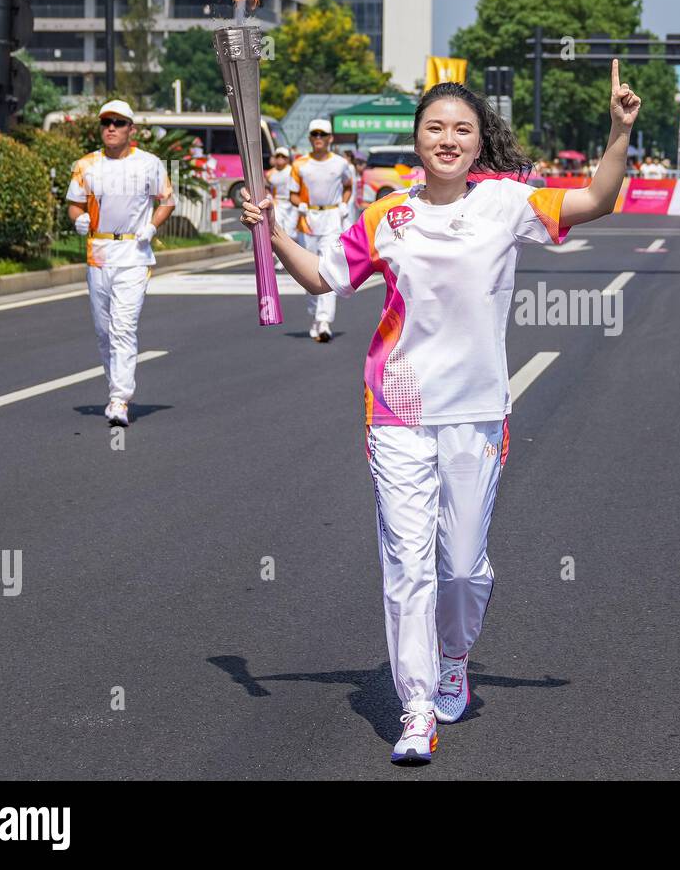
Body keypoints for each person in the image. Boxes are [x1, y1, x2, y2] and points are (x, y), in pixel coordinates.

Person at [239, 60, 641, 765]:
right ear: (416, 139)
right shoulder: (384, 214)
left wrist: (618, 131)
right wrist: (271, 230)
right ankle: (417, 705)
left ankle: (455, 653)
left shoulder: (507, 202)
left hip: (477, 413)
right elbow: (322, 276)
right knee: (408, 565)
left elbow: (597, 199)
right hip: (397, 408)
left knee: (461, 568)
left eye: (462, 129)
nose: (448, 139)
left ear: (479, 140)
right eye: (435, 128)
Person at [66, 99, 175, 427]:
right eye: (106, 122)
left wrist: (152, 226)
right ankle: (115, 390)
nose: (111, 128)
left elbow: (167, 200)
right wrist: (79, 219)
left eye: (118, 122)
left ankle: (119, 398)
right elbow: (73, 204)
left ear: (131, 129)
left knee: (123, 327)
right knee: (103, 331)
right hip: (98, 252)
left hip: (134, 252)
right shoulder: (86, 165)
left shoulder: (149, 163)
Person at [289, 119, 354, 342]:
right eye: (315, 134)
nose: (318, 138)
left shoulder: (340, 164)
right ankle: (315, 316)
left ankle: (324, 320)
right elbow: (293, 193)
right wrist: (301, 205)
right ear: (310, 138)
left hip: (332, 219)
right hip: (308, 221)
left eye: (322, 134)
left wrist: (344, 203)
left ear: (330, 138)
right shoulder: (299, 165)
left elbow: (348, 185)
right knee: (309, 273)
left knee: (328, 269)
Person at [266, 147, 298, 241]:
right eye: (278, 156)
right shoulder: (270, 173)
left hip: (291, 204)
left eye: (283, 156)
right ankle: (277, 254)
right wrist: (270, 197)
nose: (280, 158)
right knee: (277, 228)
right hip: (278, 204)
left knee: (290, 232)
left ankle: (291, 253)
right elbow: (267, 187)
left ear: (287, 158)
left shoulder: (293, 170)